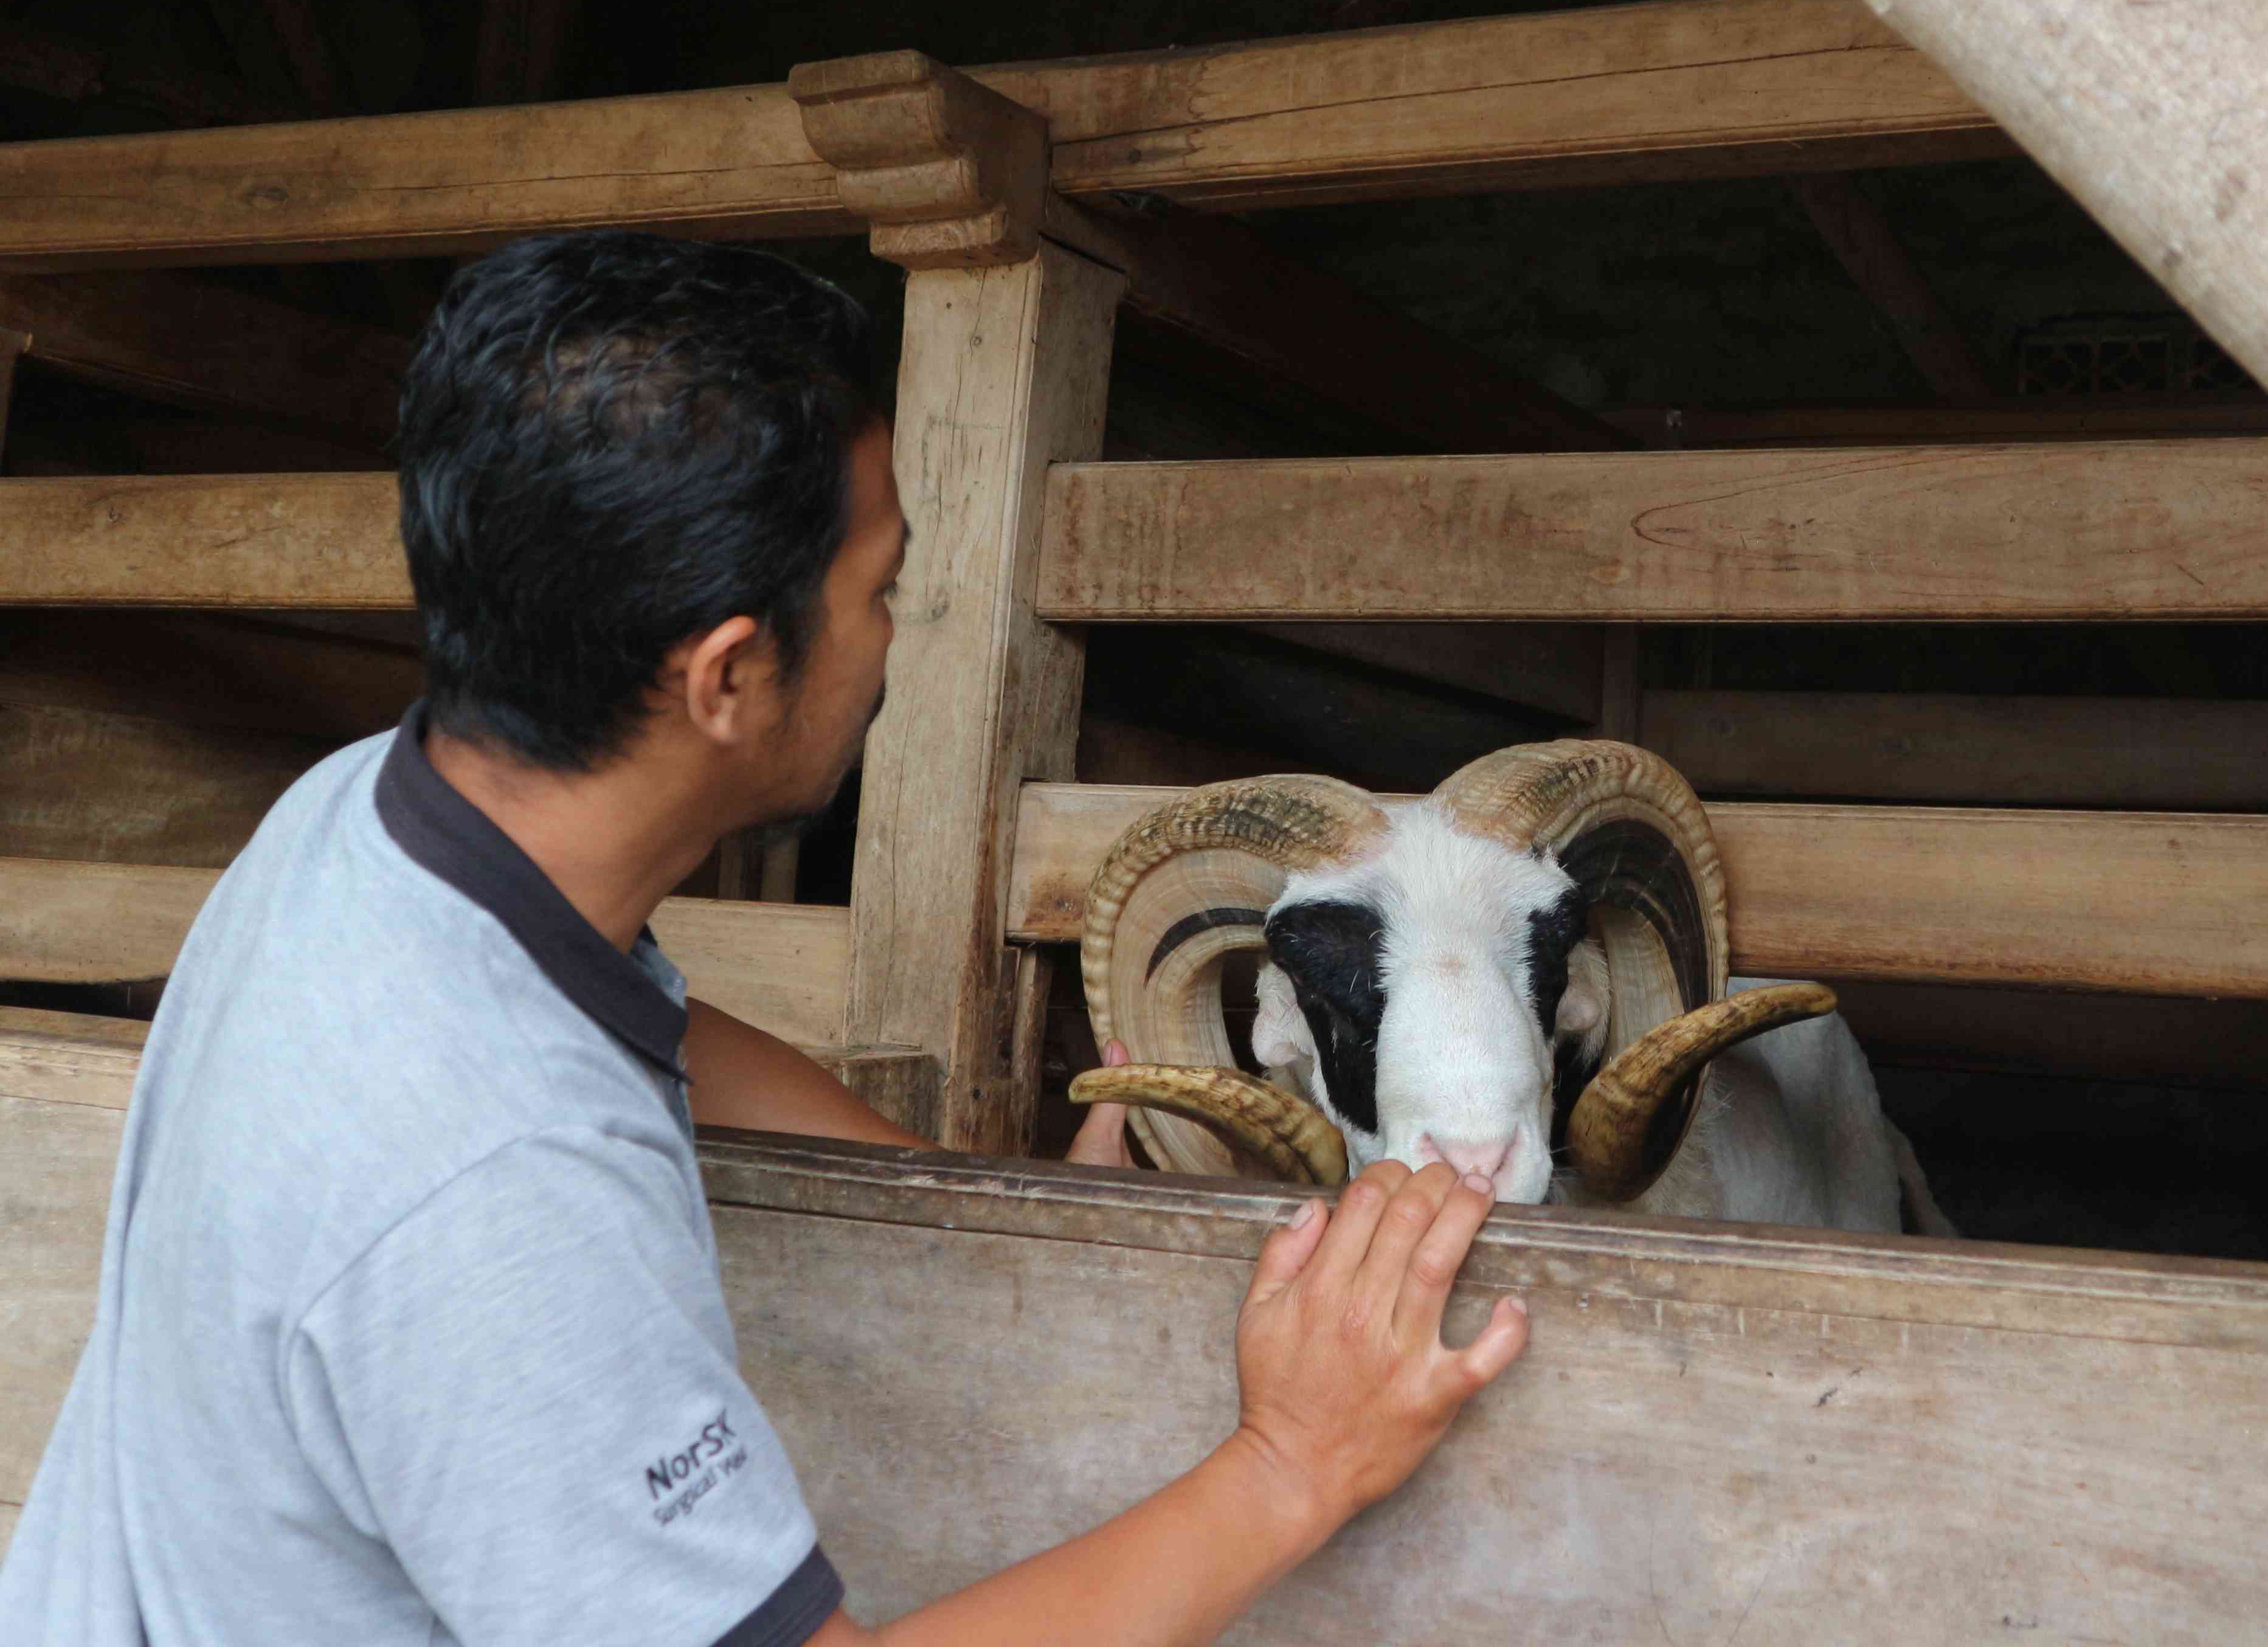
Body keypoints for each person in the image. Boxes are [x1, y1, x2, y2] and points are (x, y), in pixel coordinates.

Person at [0, 231, 1526, 1646]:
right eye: (881, 588)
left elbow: (648, 1027)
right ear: (729, 676)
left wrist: (978, 1212)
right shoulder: (500, 1201)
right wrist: (1291, 1464)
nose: (892, 633)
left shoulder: (369, 823)